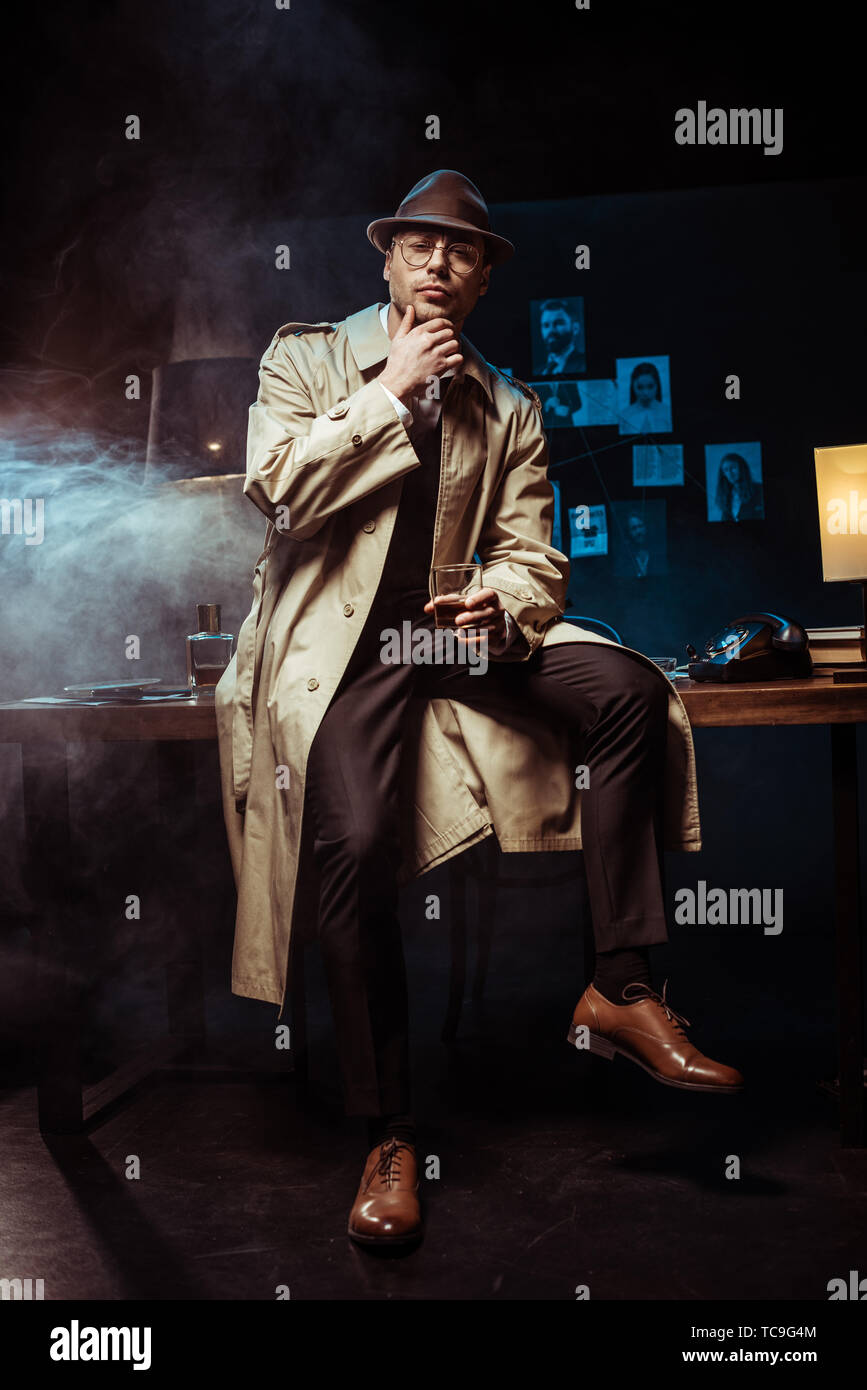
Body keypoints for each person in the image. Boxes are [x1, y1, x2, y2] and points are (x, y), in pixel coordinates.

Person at [217, 170, 742, 1254]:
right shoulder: (306, 357)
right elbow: (277, 489)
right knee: (354, 843)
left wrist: (500, 606)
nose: (440, 265)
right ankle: (389, 1134)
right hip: (348, 651)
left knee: (632, 689)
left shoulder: (509, 403)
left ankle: (620, 985)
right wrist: (393, 390)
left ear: (486, 276)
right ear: (389, 260)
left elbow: (533, 555)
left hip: (453, 640)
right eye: (421, 247)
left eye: (463, 253)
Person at [619, 361, 672, 434]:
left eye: (650, 386)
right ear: (633, 387)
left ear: (657, 385)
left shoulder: (668, 413)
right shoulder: (624, 416)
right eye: (640, 387)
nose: (645, 393)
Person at [535, 299, 585, 376]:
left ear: (575, 328)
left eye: (558, 323)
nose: (551, 331)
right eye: (546, 325)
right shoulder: (537, 372)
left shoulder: (583, 365)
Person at [714, 452, 764, 521]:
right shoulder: (726, 496)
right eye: (726, 470)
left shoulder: (759, 489)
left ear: (742, 468)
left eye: (733, 468)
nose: (730, 473)